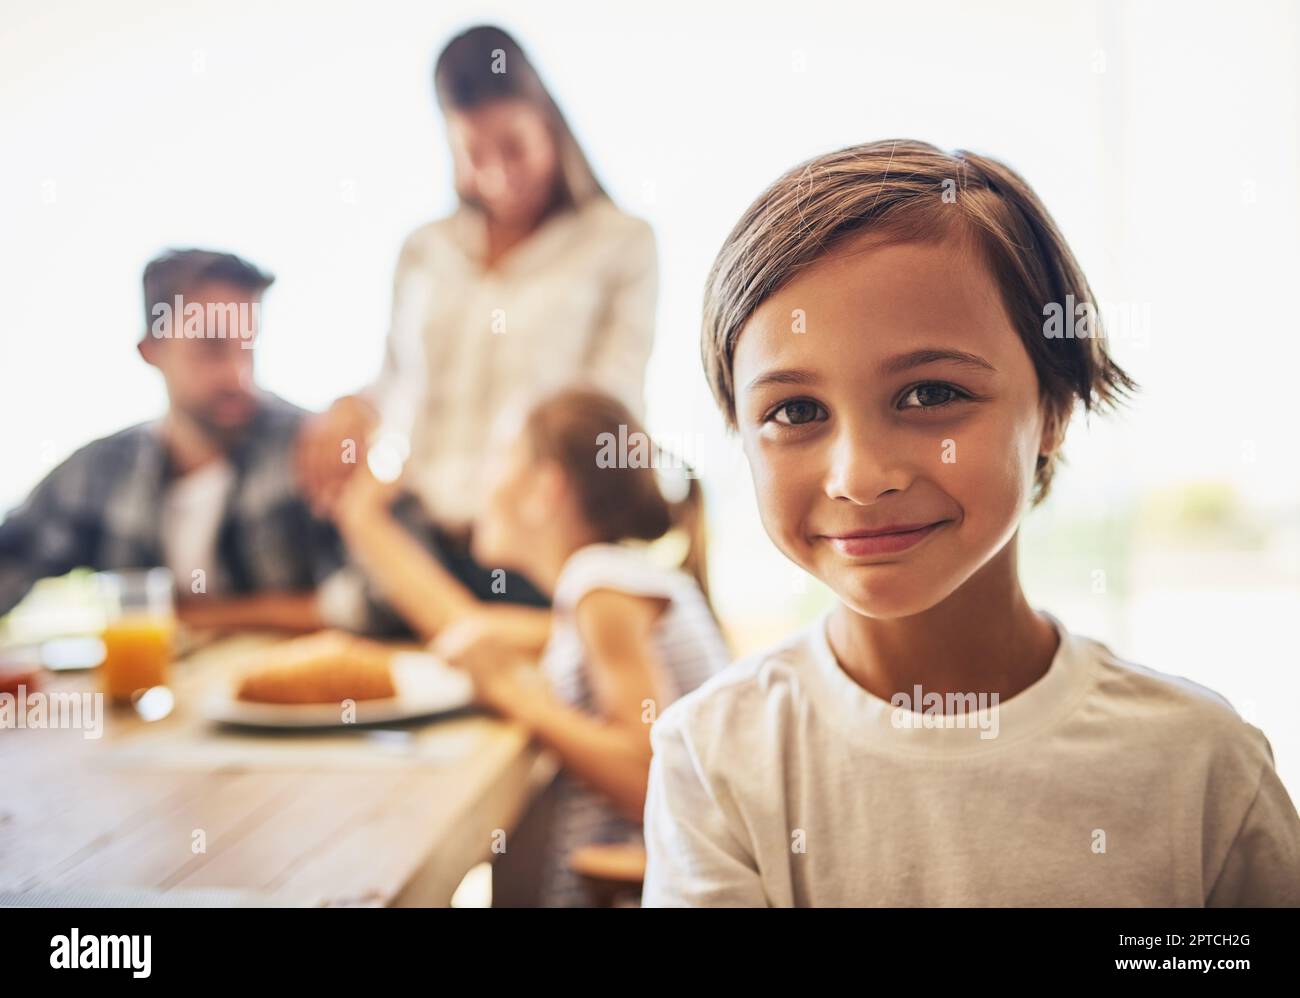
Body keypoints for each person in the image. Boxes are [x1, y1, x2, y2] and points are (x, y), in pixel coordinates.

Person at [641, 139, 1300, 906]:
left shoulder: (1201, 767)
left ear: (1054, 407)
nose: (859, 476)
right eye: (795, 411)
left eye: (929, 395)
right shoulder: (714, 759)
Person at [299, 25, 658, 634]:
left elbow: (609, 406)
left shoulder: (619, 243)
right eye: (472, 153)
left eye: (513, 147)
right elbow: (396, 382)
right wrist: (349, 410)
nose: (496, 174)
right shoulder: (424, 250)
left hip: (540, 552)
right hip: (417, 541)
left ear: (549, 122)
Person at [333, 387, 729, 906]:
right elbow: (475, 627)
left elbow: (646, 778)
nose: (483, 479)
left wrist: (513, 694)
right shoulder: (611, 583)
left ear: (546, 488)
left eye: (500, 456)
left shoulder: (600, 583)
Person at [0, 248, 341, 631]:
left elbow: (373, 598)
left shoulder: (309, 449)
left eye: (247, 347)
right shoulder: (100, 473)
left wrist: (198, 617)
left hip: (287, 686)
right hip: (144, 689)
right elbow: (12, 557)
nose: (237, 376)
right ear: (152, 351)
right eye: (211, 349)